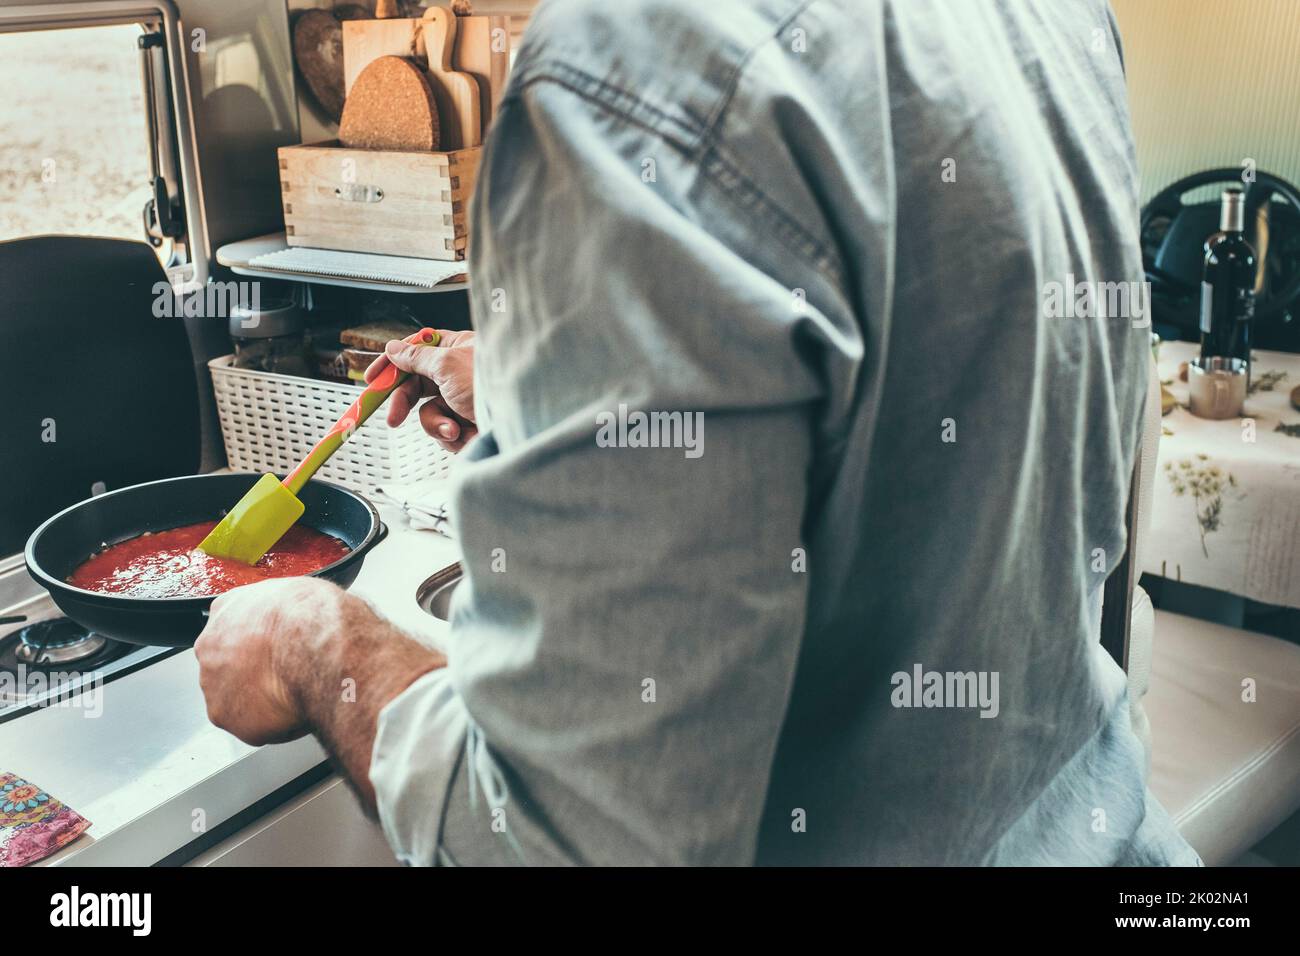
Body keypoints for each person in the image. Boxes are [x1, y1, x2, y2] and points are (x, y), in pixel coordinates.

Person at [196, 0, 1200, 865]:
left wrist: (315, 642)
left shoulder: (629, 65)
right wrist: (553, 392)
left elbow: (567, 839)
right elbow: (925, 395)